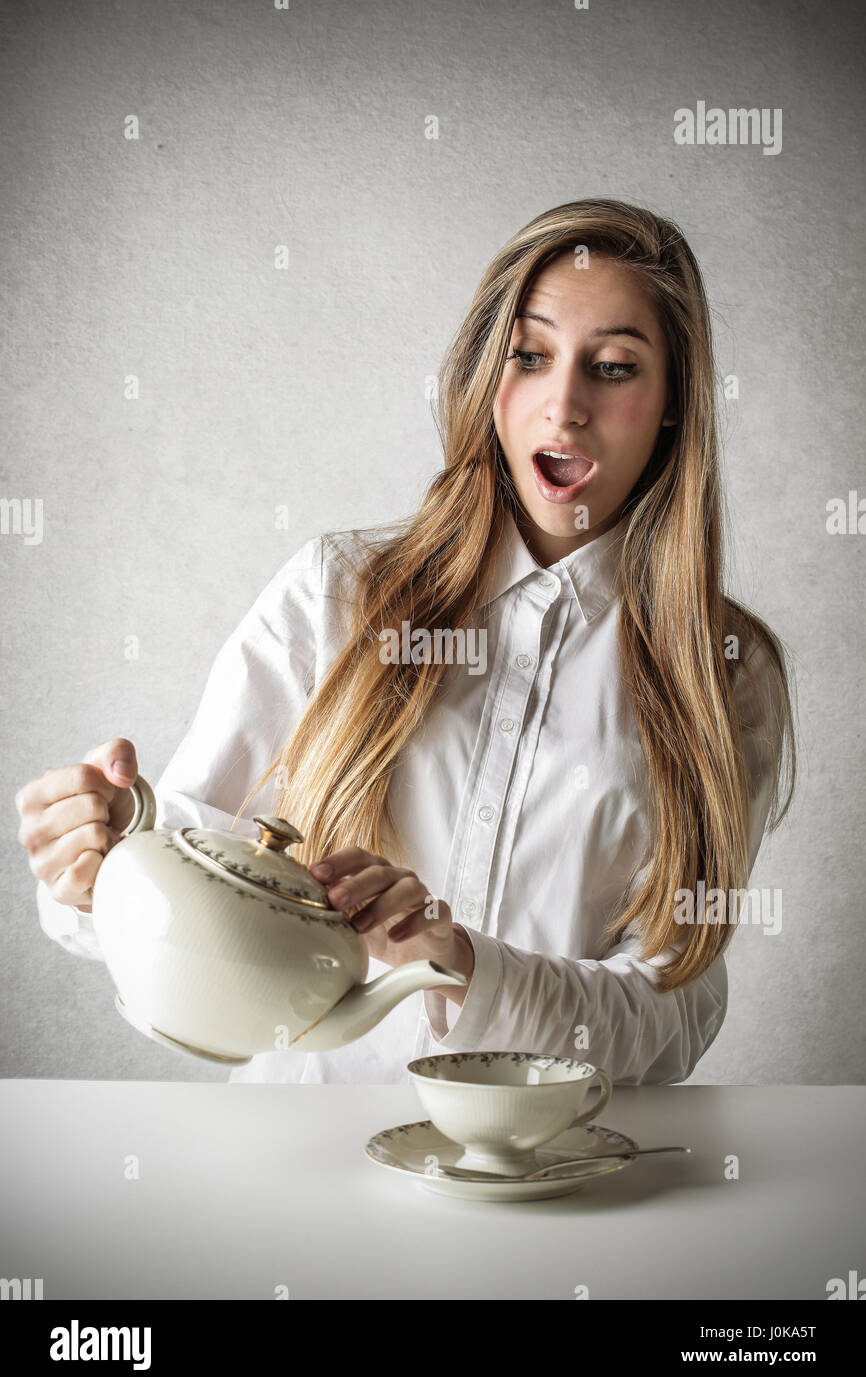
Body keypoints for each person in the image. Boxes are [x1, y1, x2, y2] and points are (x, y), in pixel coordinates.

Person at [16, 197, 796, 1088]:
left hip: (549, 1198)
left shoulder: (725, 672)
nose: (565, 403)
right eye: (530, 357)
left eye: (615, 367)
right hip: (298, 1174)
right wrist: (99, 858)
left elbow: (673, 1011)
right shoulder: (335, 593)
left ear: (672, 405)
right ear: (485, 379)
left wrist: (466, 964)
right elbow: (187, 862)